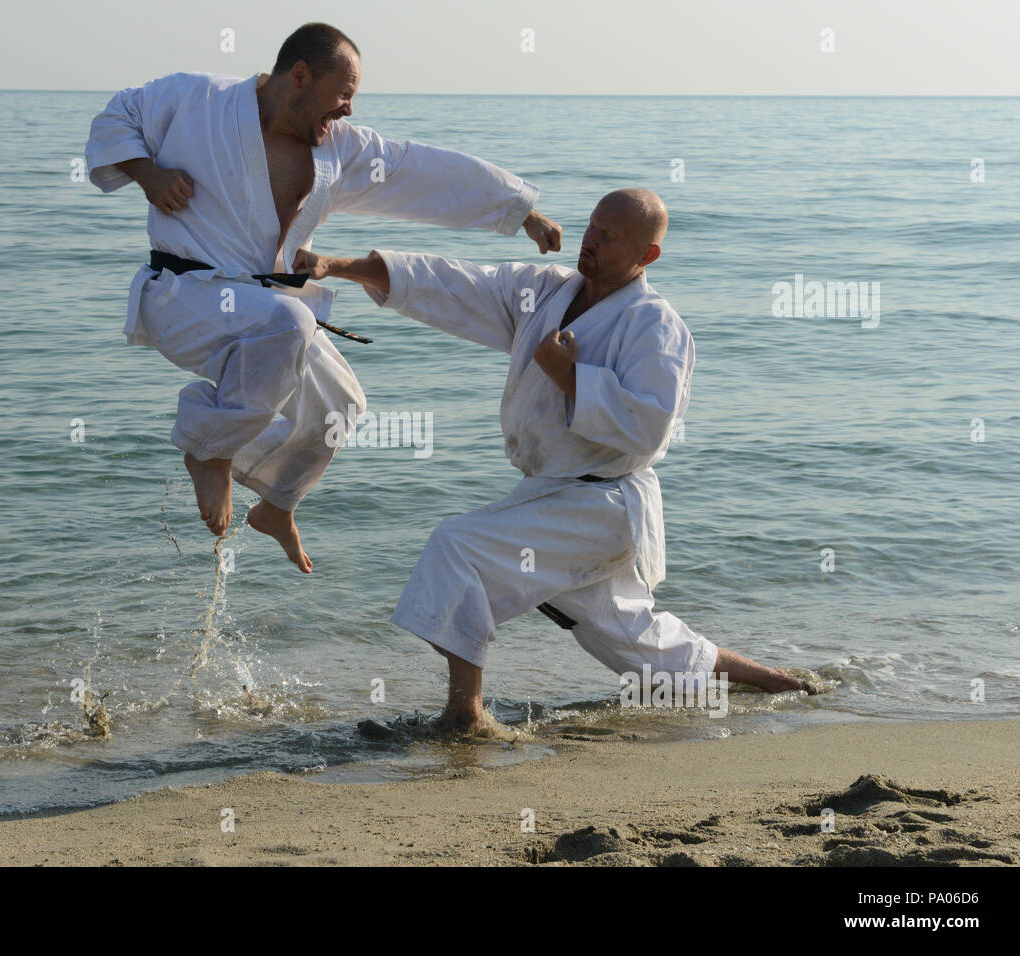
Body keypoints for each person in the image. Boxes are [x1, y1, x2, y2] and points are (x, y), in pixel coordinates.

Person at [293, 188, 808, 732]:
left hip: (601, 502)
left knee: (458, 547)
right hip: (555, 494)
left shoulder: (655, 325)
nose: (591, 241)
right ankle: (781, 683)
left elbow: (650, 430)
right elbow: (448, 280)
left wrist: (569, 376)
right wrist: (334, 265)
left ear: (647, 256)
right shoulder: (544, 292)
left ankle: (465, 714)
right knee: (638, 645)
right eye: (591, 227)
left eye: (610, 237)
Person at [84, 22, 562, 572]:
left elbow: (423, 167)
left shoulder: (339, 151)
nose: (349, 111)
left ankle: (277, 503)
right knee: (289, 320)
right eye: (343, 95)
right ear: (301, 76)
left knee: (340, 404)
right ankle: (209, 449)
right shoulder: (195, 98)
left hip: (262, 317)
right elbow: (116, 115)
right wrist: (148, 173)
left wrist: (519, 210)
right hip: (184, 298)